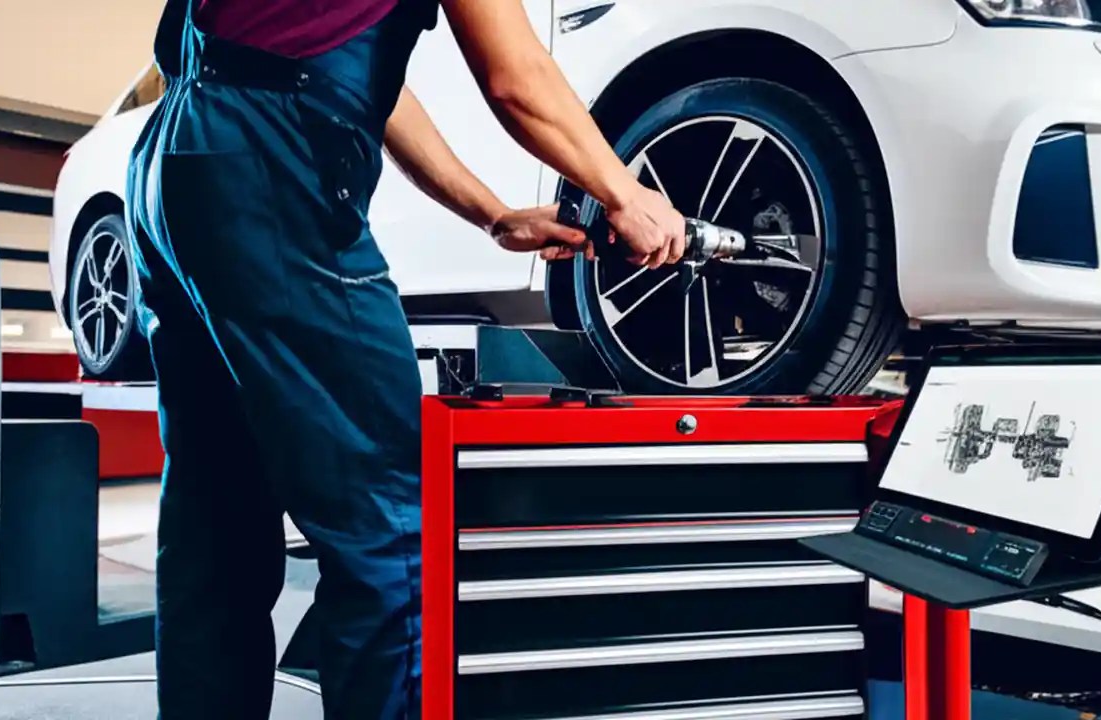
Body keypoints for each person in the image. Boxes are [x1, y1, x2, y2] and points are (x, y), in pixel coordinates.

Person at [125, 0, 687, 718]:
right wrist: (624, 191)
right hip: (269, 168)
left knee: (217, 526)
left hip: (179, 162)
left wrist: (491, 213)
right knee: (389, 531)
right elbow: (516, 75)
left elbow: (354, 79)